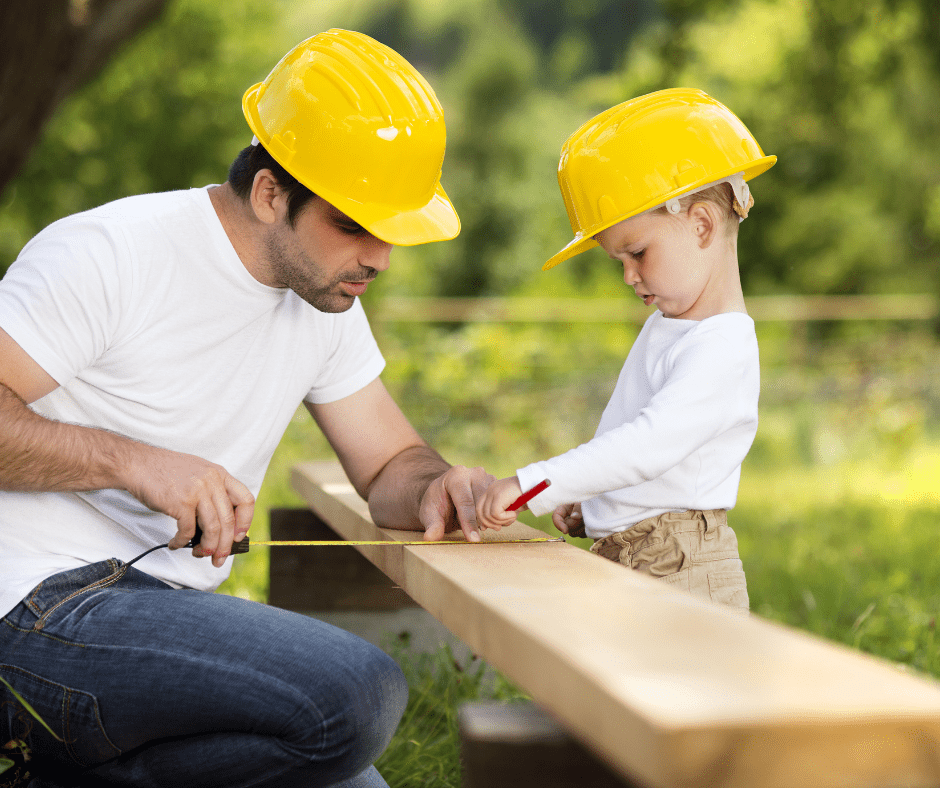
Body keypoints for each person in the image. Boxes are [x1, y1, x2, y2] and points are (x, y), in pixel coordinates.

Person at [0, 29, 494, 788]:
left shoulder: (326, 301)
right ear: (270, 192)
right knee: (358, 691)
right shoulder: (109, 253)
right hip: (31, 607)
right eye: (354, 224)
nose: (382, 257)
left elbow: (392, 463)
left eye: (393, 230)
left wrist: (437, 488)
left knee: (356, 775)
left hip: (153, 616)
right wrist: (134, 463)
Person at [476, 88, 776, 611]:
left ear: (701, 225)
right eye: (619, 260)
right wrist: (594, 504)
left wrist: (531, 488)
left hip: (682, 568)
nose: (629, 276)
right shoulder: (670, 326)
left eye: (637, 253)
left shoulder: (722, 346)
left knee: (682, 695)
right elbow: (635, 448)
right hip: (638, 557)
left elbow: (648, 446)